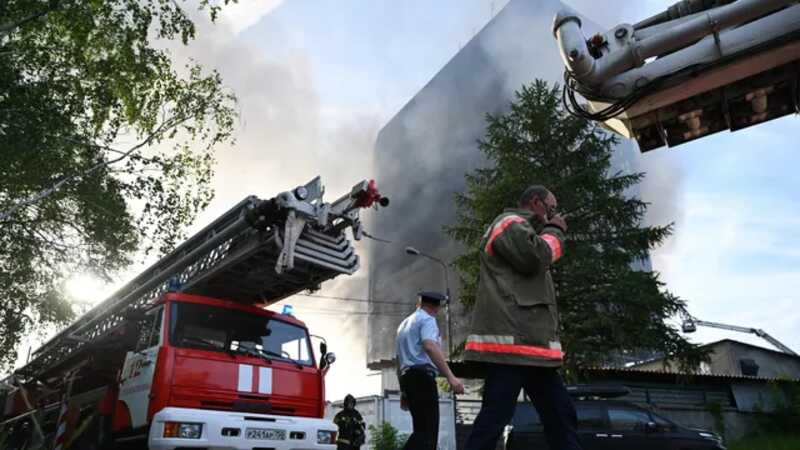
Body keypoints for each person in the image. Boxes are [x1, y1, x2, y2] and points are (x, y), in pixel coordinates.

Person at [463, 185, 583, 450]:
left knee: (562, 418)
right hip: (512, 348)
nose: (554, 214)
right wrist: (556, 230)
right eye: (552, 208)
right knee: (493, 422)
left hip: (534, 348)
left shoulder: (526, 232)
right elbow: (534, 257)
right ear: (536, 202)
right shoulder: (509, 224)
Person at [396, 291, 465, 450]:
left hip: (408, 379)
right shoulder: (427, 320)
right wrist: (451, 377)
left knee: (420, 431)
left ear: (419, 304)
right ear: (435, 307)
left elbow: (398, 361)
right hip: (422, 379)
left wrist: (403, 391)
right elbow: (429, 346)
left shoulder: (404, 324)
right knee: (427, 435)